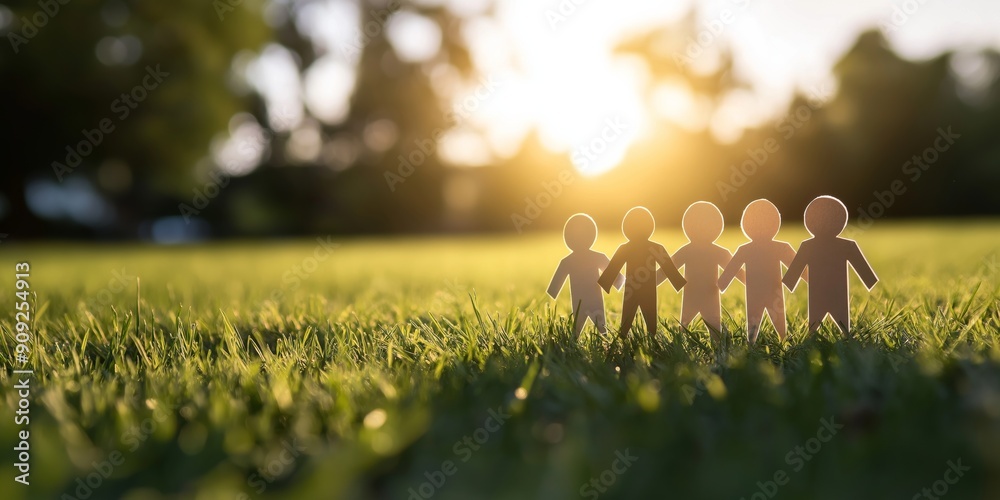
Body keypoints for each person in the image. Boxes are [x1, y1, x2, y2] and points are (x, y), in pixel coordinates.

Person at [782, 195, 878, 335]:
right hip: (836, 294)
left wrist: (789, 282)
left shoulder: (808, 246)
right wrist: (869, 281)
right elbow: (864, 271)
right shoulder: (847, 246)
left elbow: (793, 273)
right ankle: (843, 336)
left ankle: (821, 337)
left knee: (818, 326)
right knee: (836, 325)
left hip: (819, 294)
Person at [719, 199, 800, 343]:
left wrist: (722, 283)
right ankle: (761, 341)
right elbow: (733, 268)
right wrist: (723, 283)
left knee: (775, 319)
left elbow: (796, 266)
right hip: (764, 292)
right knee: (755, 318)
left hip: (765, 291)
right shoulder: (775, 248)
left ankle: (781, 339)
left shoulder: (749, 249)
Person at [599, 207, 686, 338]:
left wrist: (605, 282)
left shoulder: (625, 248)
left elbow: (613, 267)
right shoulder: (656, 248)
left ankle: (626, 336)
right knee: (645, 317)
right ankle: (645, 336)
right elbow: (668, 268)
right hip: (647, 289)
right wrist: (679, 282)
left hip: (632, 288)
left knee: (631, 316)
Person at [669, 201, 744, 342]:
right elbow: (670, 268)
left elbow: (733, 269)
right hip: (697, 293)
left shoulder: (717, 252)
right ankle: (681, 341)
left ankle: (713, 343)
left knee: (713, 327)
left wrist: (726, 282)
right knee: (685, 324)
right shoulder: (713, 252)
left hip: (706, 294)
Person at [547, 213, 623, 337]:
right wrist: (620, 282)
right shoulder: (596, 257)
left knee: (595, 328)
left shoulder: (568, 261)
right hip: (589, 300)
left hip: (582, 300)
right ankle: (600, 340)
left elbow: (554, 286)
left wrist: (553, 292)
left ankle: (586, 340)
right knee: (590, 328)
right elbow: (615, 276)